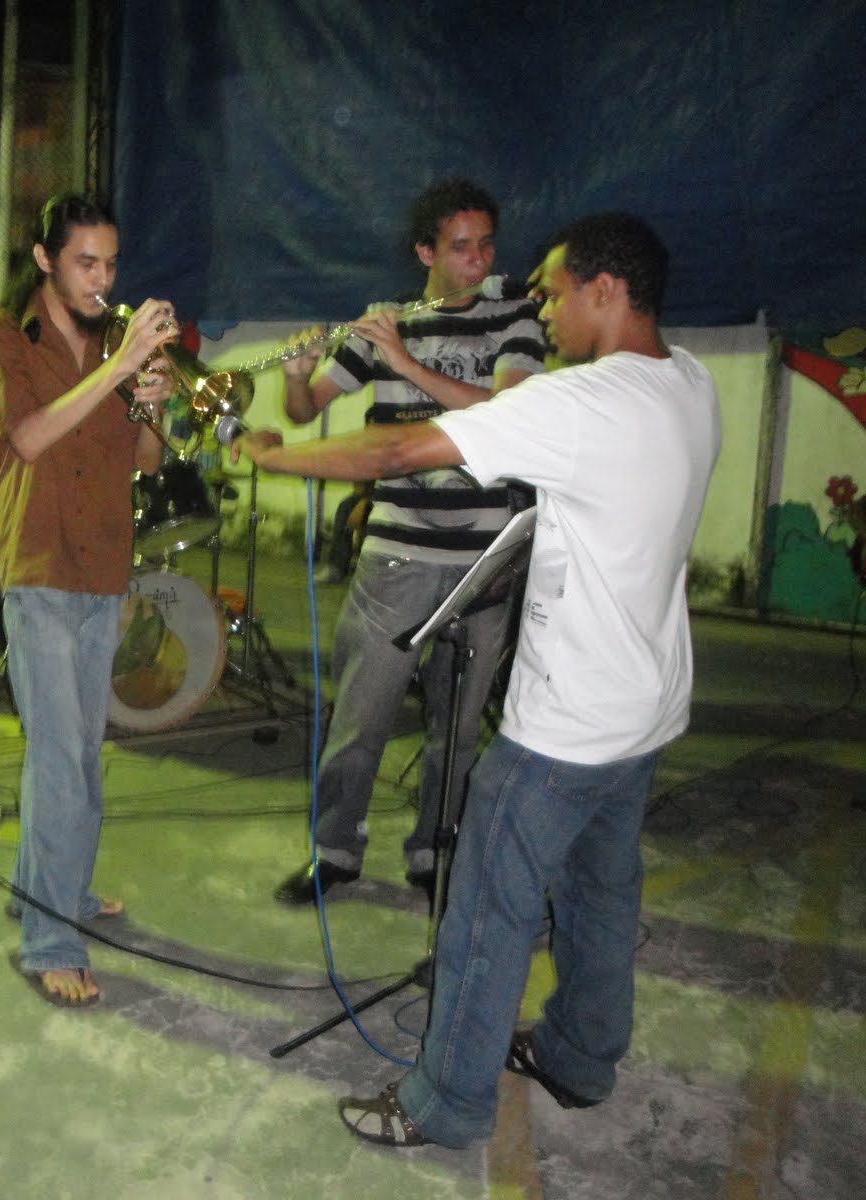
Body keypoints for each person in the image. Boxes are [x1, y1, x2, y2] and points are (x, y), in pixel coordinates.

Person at [234, 213, 721, 1148]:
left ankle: (445, 1103)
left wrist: (273, 455)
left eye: (554, 287)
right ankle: (581, 1058)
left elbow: (390, 455)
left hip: (569, 723)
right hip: (649, 708)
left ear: (605, 291)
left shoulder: (583, 404)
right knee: (600, 891)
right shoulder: (688, 382)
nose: (540, 300)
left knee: (487, 907)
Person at [275, 178, 547, 903]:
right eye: (460, 247)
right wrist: (300, 376)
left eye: (486, 244)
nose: (477, 259)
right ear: (425, 250)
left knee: (456, 732)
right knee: (359, 719)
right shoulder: (388, 321)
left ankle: (436, 853)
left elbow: (508, 413)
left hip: (484, 562)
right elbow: (303, 412)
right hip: (396, 554)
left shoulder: (516, 317)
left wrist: (404, 364)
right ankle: (335, 849)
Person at [0, 194, 176, 1007]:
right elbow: (25, 438)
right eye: (85, 262)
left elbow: (148, 461)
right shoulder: (4, 340)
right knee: (59, 755)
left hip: (103, 562)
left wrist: (153, 397)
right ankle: (49, 937)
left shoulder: (109, 348)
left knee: (80, 750)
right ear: (45, 260)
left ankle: (51, 884)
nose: (102, 279)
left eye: (111, 263)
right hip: (41, 564)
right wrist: (121, 368)